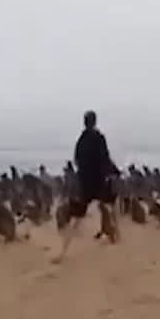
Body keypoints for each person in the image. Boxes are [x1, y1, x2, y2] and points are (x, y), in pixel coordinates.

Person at [53, 110, 120, 262]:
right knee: (110, 206)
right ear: (95, 122)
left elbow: (77, 161)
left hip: (85, 185)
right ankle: (118, 237)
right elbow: (105, 158)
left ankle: (63, 252)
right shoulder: (99, 138)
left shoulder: (81, 140)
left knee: (77, 219)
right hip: (99, 183)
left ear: (85, 122)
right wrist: (115, 171)